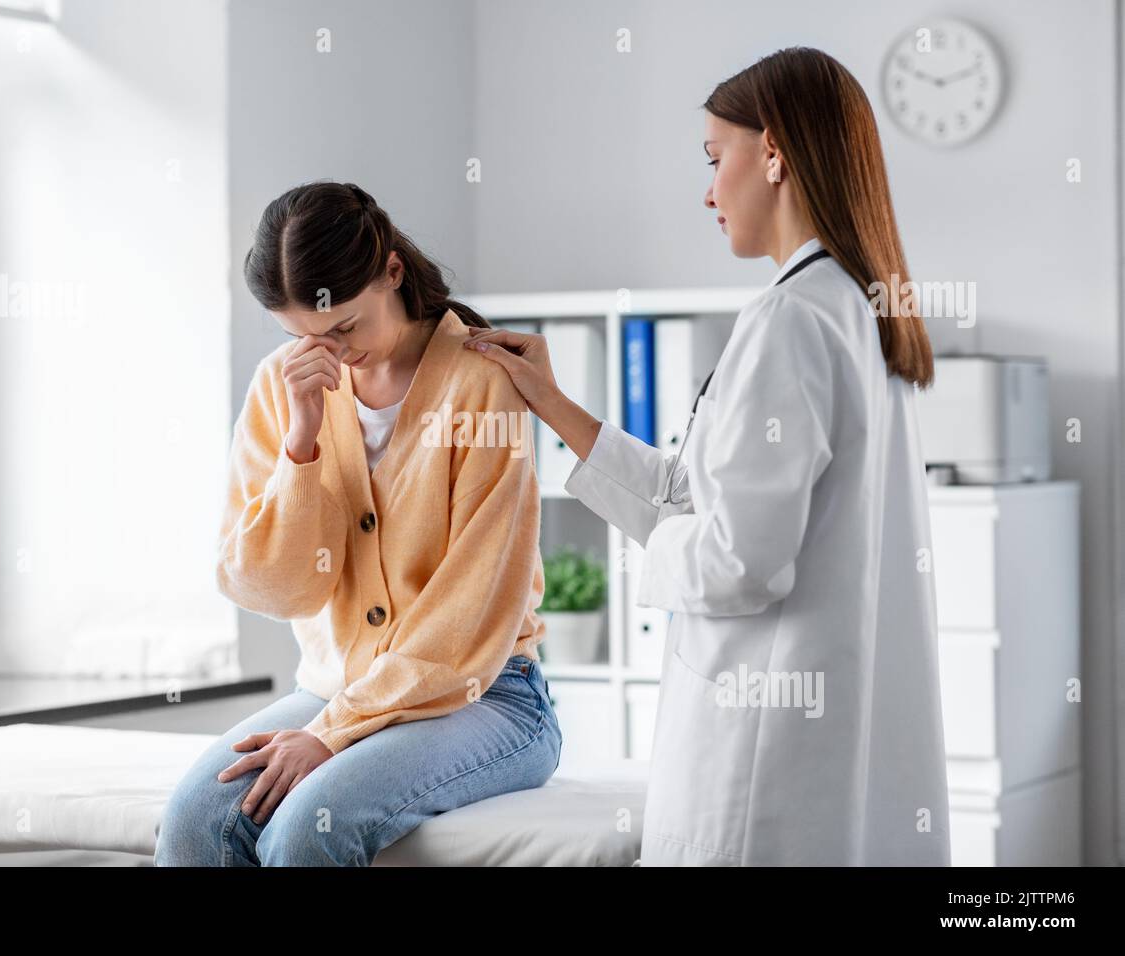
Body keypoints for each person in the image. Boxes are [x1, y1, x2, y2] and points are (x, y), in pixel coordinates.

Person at [464, 47, 951, 866]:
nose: (707, 190)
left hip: (761, 763)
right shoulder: (852, 309)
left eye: (714, 158)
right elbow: (701, 499)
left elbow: (735, 559)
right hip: (822, 748)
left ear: (774, 155)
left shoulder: (790, 320)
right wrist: (553, 402)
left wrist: (660, 556)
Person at [155, 181, 561, 867]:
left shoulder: (481, 384)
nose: (331, 355)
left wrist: (334, 734)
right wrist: (303, 447)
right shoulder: (283, 388)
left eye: (345, 327)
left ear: (393, 273)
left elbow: (469, 614)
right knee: (195, 820)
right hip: (333, 689)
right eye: (303, 337)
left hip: (484, 695)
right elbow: (271, 588)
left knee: (309, 829)